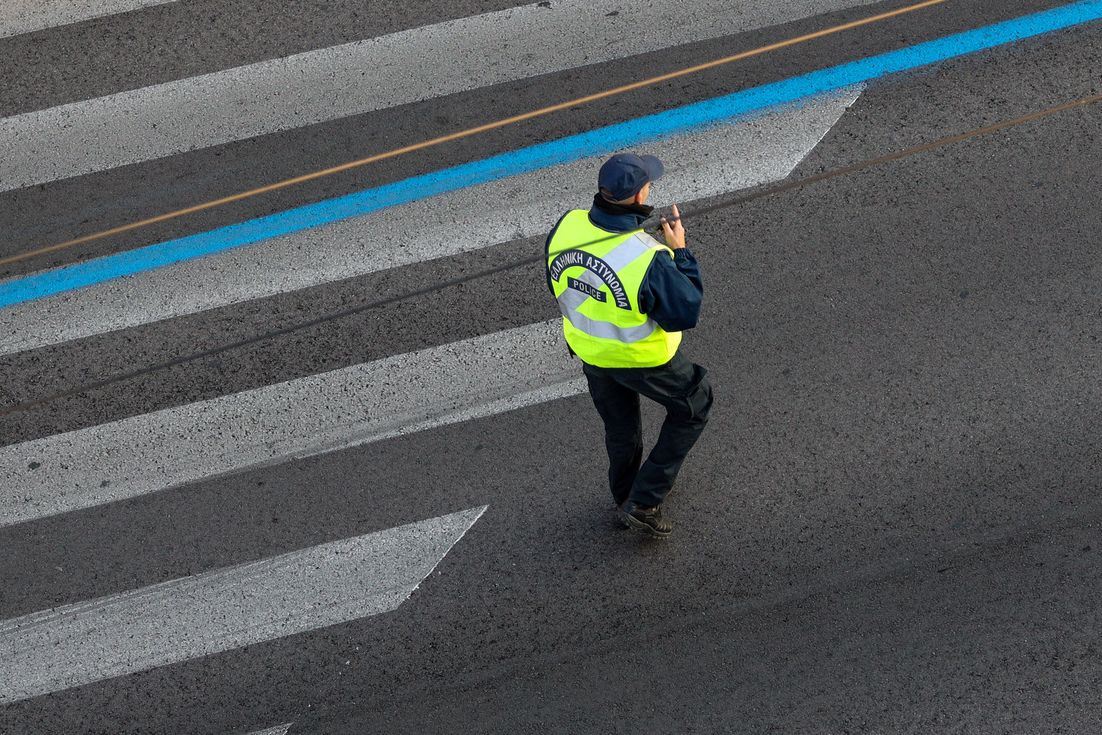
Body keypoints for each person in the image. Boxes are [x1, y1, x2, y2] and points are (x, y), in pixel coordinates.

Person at [545, 152, 713, 538]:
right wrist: (681, 253)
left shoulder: (566, 225)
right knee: (694, 405)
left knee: (621, 429)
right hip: (642, 358)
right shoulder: (648, 255)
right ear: (639, 198)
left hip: (590, 351)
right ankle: (645, 500)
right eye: (647, 185)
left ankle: (624, 497)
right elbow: (684, 312)